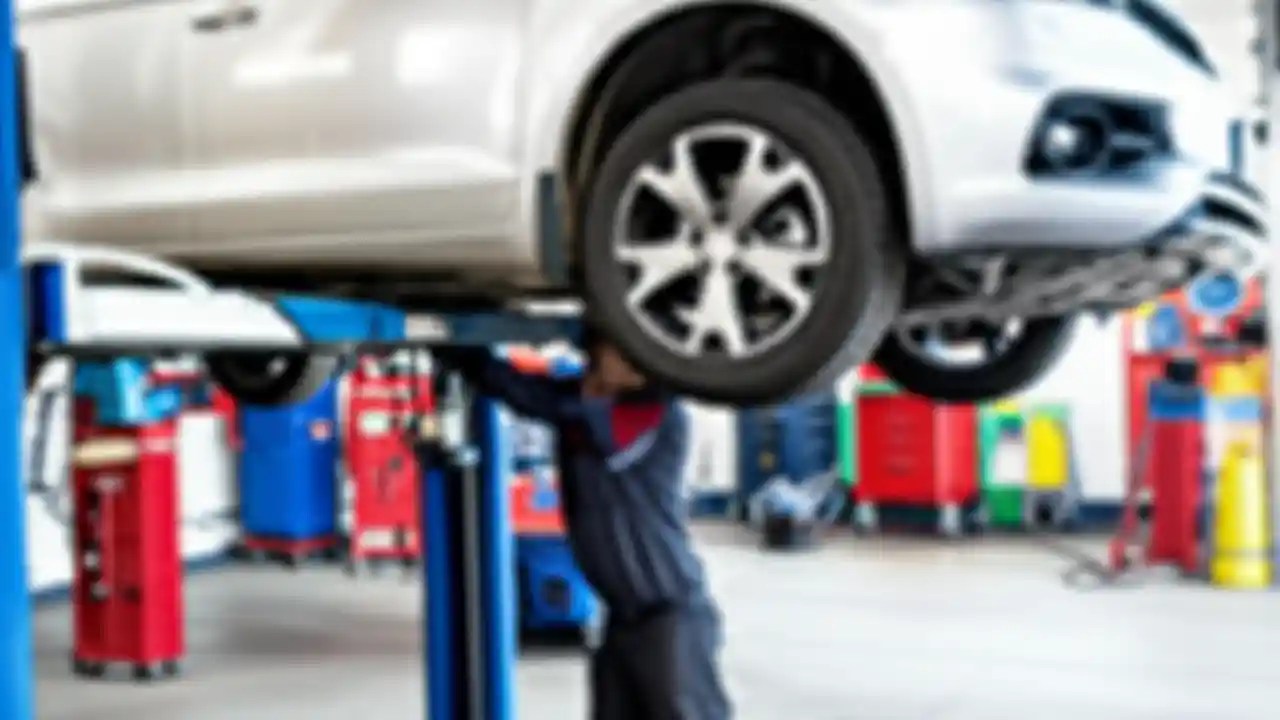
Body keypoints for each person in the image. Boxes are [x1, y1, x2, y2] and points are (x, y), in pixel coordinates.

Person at [433, 329, 732, 720]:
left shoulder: (656, 411)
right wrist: (452, 345)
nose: (615, 361)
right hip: (623, 619)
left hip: (671, 616)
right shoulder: (581, 403)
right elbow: (518, 389)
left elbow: (558, 406)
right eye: (610, 350)